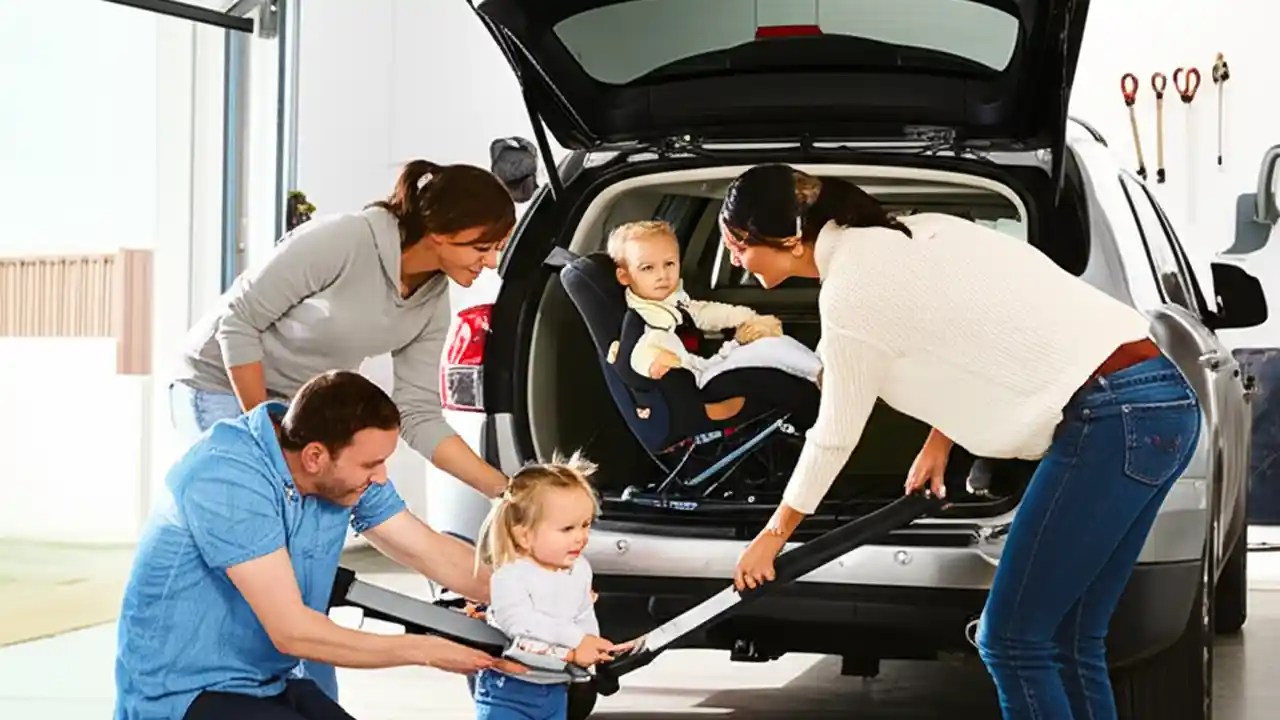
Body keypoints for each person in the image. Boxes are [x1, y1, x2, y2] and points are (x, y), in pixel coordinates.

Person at [722, 164, 1202, 720]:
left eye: (738, 245)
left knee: (1012, 640)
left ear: (787, 239)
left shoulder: (851, 289)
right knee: (1070, 637)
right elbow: (976, 331)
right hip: (1158, 398)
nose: (735, 260)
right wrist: (941, 439)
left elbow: (834, 435)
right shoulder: (919, 230)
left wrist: (773, 536)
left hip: (1110, 418)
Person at [169, 159, 515, 696]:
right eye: (482, 247)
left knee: (345, 537)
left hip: (311, 410)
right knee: (272, 548)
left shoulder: (430, 301)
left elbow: (419, 413)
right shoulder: (343, 240)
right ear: (441, 233)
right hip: (223, 385)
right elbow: (239, 321)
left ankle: (311, 693)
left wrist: (506, 491)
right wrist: (265, 435)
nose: (490, 263)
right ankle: (230, 685)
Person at [114, 370, 523, 720]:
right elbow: (293, 633)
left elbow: (429, 550)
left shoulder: (341, 474)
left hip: (267, 682)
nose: (381, 477)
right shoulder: (226, 478)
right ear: (315, 457)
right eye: (370, 464)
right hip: (184, 696)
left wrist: (532, 596)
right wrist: (428, 649)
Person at [472, 455, 626, 719]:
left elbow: (583, 614)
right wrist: (576, 644)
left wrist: (593, 650)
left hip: (555, 686)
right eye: (567, 529)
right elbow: (520, 624)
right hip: (509, 689)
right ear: (524, 535)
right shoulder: (511, 575)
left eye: (586, 525)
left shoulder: (579, 569)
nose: (581, 537)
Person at [608, 220, 822, 389]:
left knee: (773, 342)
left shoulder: (673, 302)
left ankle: (820, 375)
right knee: (770, 349)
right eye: (648, 268)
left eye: (669, 264)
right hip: (698, 380)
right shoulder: (640, 319)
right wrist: (652, 364)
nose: (663, 275)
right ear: (624, 276)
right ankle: (822, 377)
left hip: (706, 366)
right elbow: (635, 352)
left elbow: (705, 312)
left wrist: (747, 317)